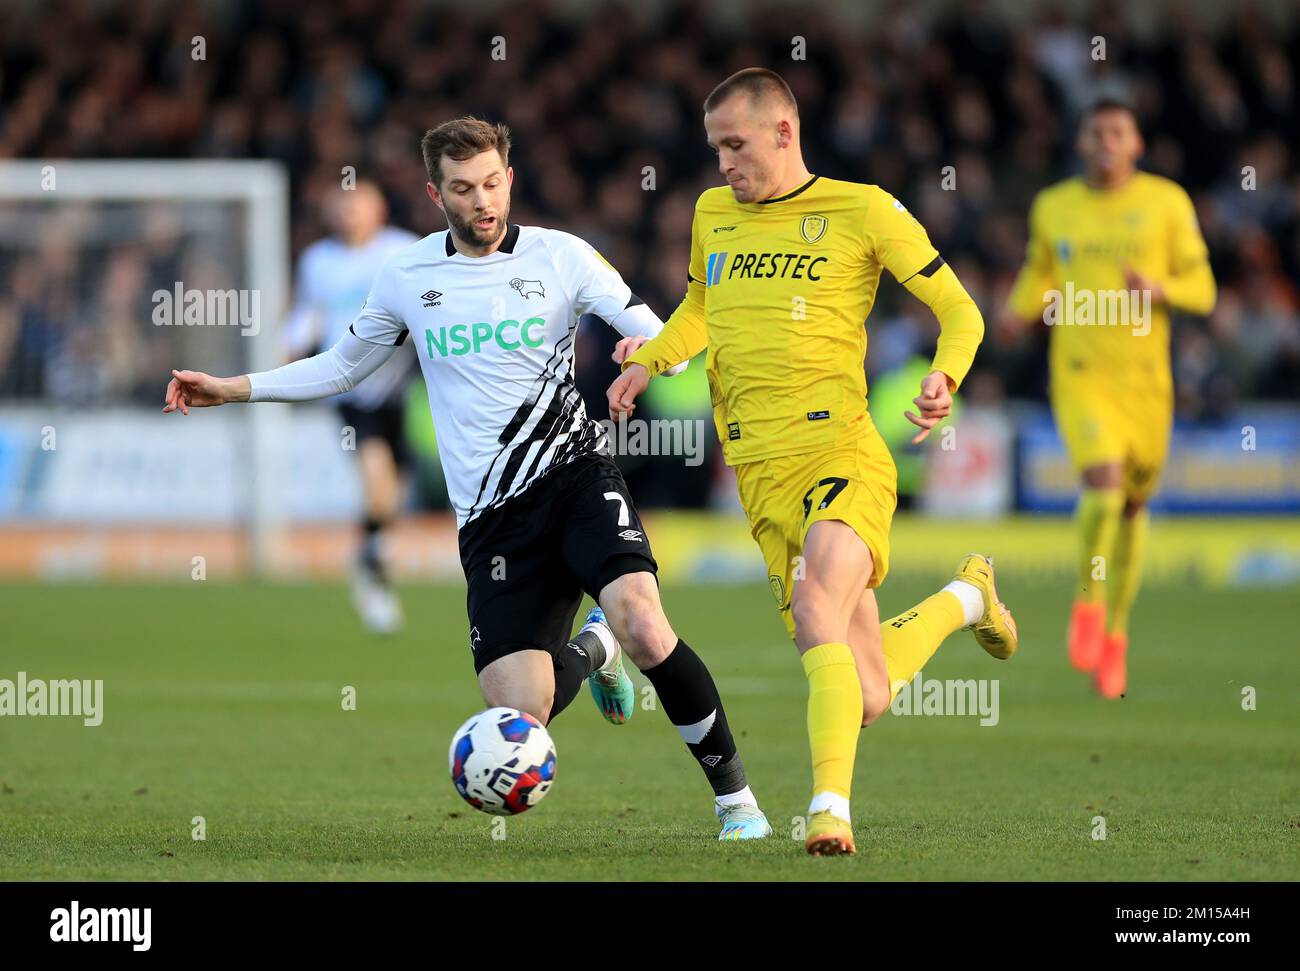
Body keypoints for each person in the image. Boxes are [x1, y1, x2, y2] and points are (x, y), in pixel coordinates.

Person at [164, 116, 771, 841]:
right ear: (434, 194)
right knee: (524, 716)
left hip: (573, 474)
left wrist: (650, 350)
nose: (482, 201)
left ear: (509, 179)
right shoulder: (409, 275)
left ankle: (738, 803)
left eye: (491, 183)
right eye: (462, 189)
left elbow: (645, 319)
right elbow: (341, 365)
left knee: (644, 617)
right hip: (490, 520)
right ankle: (594, 649)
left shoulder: (562, 256)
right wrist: (234, 388)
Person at [607, 69, 1017, 856]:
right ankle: (969, 595)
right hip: (759, 478)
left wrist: (945, 375)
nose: (725, 163)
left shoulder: (862, 209)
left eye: (737, 144)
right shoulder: (711, 214)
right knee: (863, 693)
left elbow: (960, 310)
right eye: (715, 148)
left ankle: (829, 809)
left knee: (817, 603)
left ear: (785, 133)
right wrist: (650, 362)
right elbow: (701, 306)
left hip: (841, 450)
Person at [1003, 99, 1215, 698]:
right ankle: (1088, 603)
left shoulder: (1166, 203)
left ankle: (1116, 635)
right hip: (1080, 373)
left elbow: (1204, 290)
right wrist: (1017, 313)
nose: (1105, 141)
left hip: (1146, 385)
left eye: (1117, 132)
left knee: (1131, 509)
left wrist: (1161, 288)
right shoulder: (1054, 206)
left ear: (1137, 144)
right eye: (1095, 131)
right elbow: (1038, 272)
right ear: (1079, 142)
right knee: (1102, 483)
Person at [282, 181, 418, 633]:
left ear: (378, 210)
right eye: (343, 207)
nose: (351, 216)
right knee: (376, 476)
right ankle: (373, 577)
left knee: (395, 488)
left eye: (359, 207)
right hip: (350, 387)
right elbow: (309, 314)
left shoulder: (403, 250)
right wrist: (288, 349)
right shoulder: (318, 260)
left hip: (401, 385)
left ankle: (368, 550)